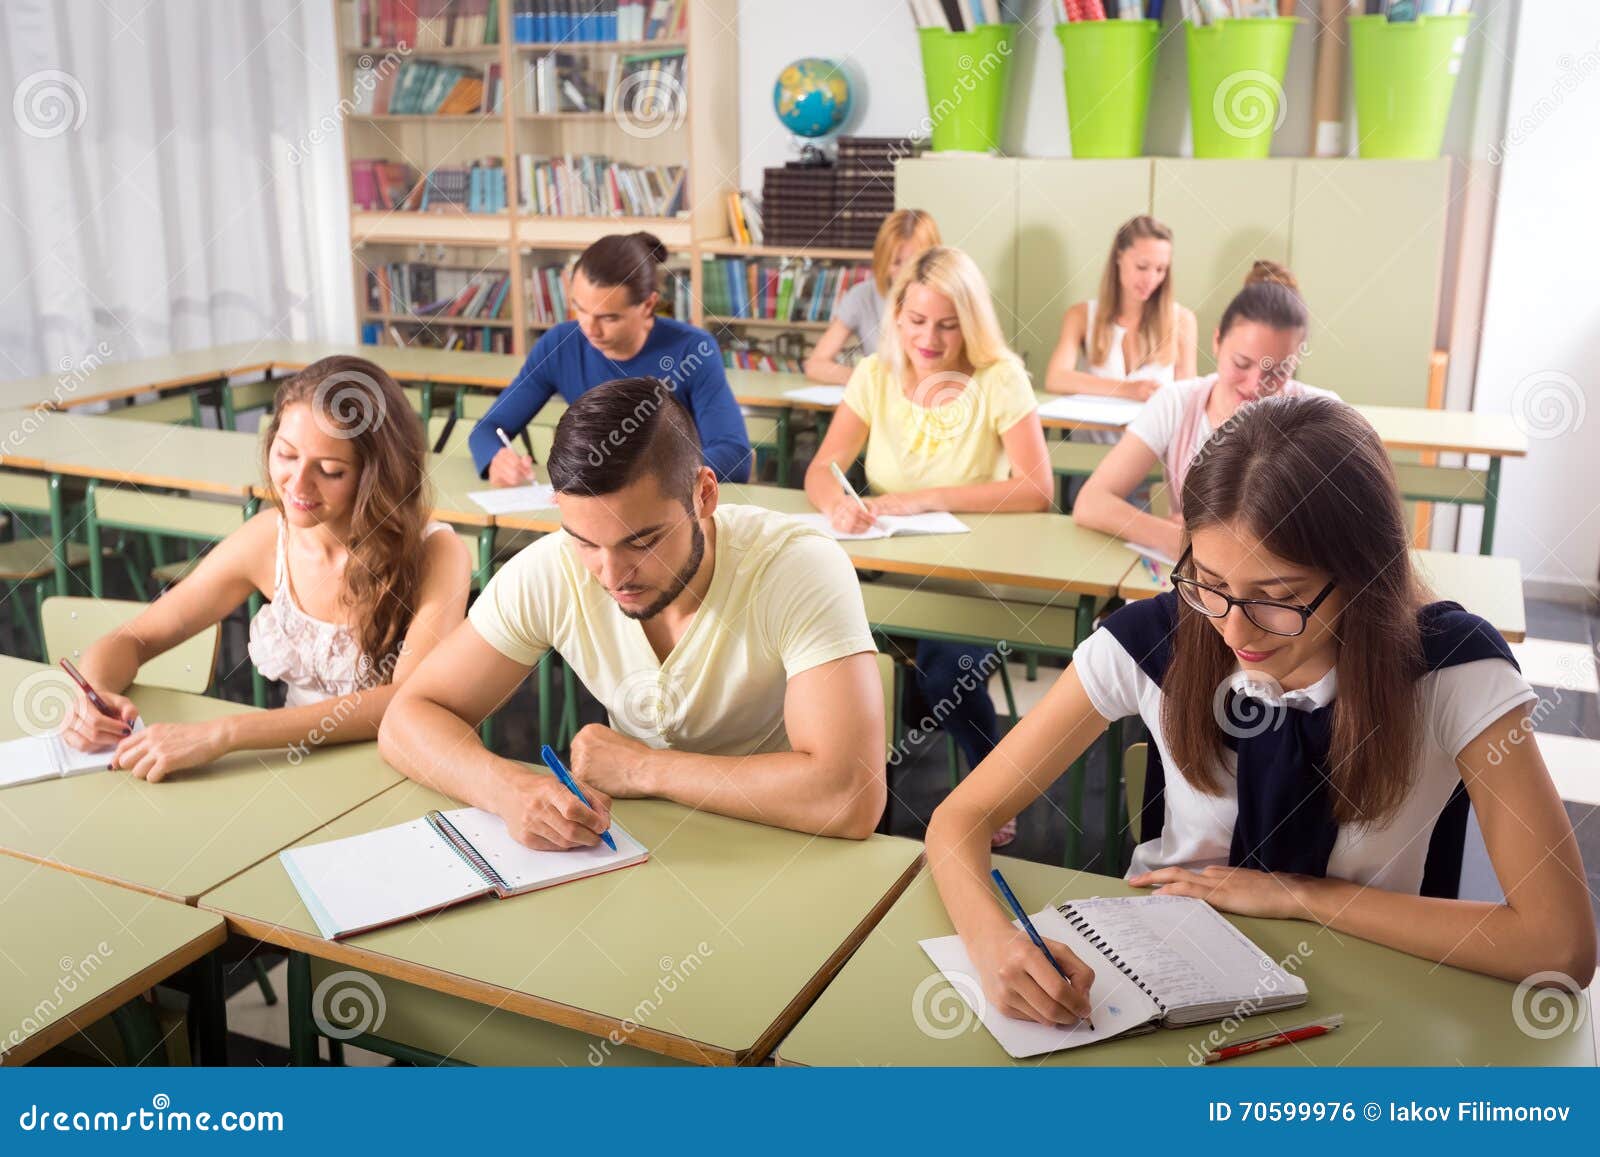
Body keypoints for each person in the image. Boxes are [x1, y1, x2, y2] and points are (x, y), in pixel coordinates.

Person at [927, 395, 1596, 1028]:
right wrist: (993, 943)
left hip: (1376, 990)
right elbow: (959, 820)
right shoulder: (1154, 638)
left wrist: (1300, 895)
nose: (1234, 630)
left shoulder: (1452, 669)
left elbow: (1560, 943)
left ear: (1364, 574)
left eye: (1277, 596)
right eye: (1211, 582)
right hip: (1159, 976)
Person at [380, 377, 886, 847]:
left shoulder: (797, 566)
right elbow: (407, 719)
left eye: (642, 542)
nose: (612, 574)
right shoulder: (552, 568)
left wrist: (645, 769)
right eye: (585, 541)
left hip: (787, 839)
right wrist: (508, 790)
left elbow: (849, 797)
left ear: (704, 494)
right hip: (639, 842)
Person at [62, 356, 471, 781]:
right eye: (286, 455)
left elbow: (404, 699)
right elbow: (136, 638)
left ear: (376, 476)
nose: (297, 484)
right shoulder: (267, 539)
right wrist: (94, 696)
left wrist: (225, 733)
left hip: (395, 771)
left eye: (330, 470)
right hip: (294, 768)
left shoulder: (438, 553)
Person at [803, 245, 1052, 847]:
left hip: (974, 572)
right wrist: (836, 502)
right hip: (889, 563)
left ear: (971, 323)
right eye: (916, 321)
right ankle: (857, 795)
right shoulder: (874, 375)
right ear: (897, 317)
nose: (929, 339)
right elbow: (821, 469)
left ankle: (990, 783)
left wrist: (924, 498)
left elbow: (1037, 489)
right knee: (835, 664)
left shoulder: (999, 378)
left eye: (947, 325)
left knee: (947, 674)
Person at [1073, 277, 1333, 561]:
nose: (1255, 385)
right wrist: (1175, 538)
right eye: (1241, 363)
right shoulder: (1176, 403)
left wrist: (1207, 542)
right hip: (1194, 575)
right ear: (1217, 341)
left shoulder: (1320, 415)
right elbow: (1091, 502)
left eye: (1277, 371)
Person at [470, 231, 752, 485]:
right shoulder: (559, 345)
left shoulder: (692, 349)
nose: (590, 329)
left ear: (648, 305)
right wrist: (497, 458)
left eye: (609, 318)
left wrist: (650, 480)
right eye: (580, 309)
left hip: (669, 509)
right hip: (590, 509)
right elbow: (487, 430)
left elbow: (735, 456)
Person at [1042, 215, 1197, 404]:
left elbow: (1188, 398)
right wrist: (1128, 390)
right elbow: (1056, 378)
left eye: (1160, 269)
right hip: (1095, 423)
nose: (1151, 279)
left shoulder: (1182, 320)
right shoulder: (1080, 316)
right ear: (1118, 257)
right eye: (1142, 267)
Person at [803, 209, 942, 384]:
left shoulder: (948, 299)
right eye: (896, 262)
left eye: (914, 262)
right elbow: (815, 365)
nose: (905, 273)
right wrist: (871, 383)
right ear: (883, 261)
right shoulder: (863, 296)